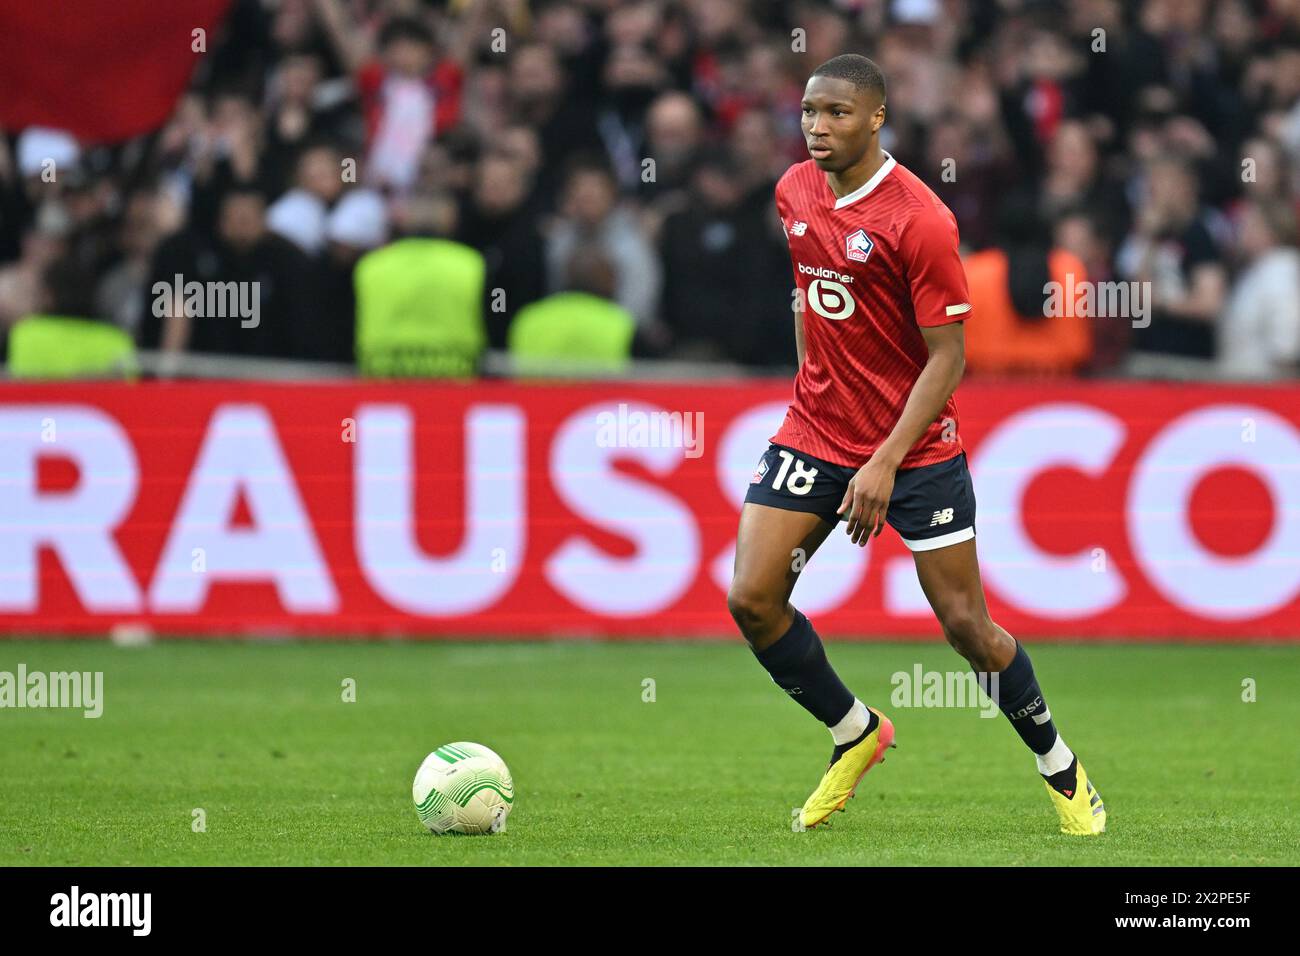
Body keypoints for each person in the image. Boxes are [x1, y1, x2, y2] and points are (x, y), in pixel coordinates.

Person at [728, 54, 1105, 836]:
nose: (817, 127)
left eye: (836, 113)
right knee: (753, 600)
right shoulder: (794, 189)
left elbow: (949, 357)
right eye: (808, 112)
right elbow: (809, 291)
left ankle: (1060, 768)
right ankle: (854, 730)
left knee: (967, 626)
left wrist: (884, 461)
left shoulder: (919, 219)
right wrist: (812, 386)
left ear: (876, 118)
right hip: (816, 433)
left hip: (916, 451)